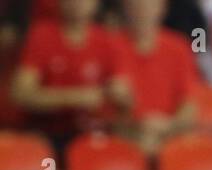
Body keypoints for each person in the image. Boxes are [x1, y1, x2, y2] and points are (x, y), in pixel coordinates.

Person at [11, 0, 132, 153]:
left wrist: (120, 96)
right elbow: (20, 94)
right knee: (45, 168)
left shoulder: (107, 40)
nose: (77, 3)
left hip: (95, 137)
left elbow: (125, 96)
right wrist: (76, 97)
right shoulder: (42, 36)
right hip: (48, 136)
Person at [110, 0, 198, 154]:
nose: (143, 11)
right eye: (136, 5)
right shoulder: (111, 45)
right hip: (124, 138)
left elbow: (189, 104)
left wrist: (168, 126)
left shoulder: (179, 47)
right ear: (125, 8)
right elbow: (109, 101)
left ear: (163, 8)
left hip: (168, 137)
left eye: (149, 5)